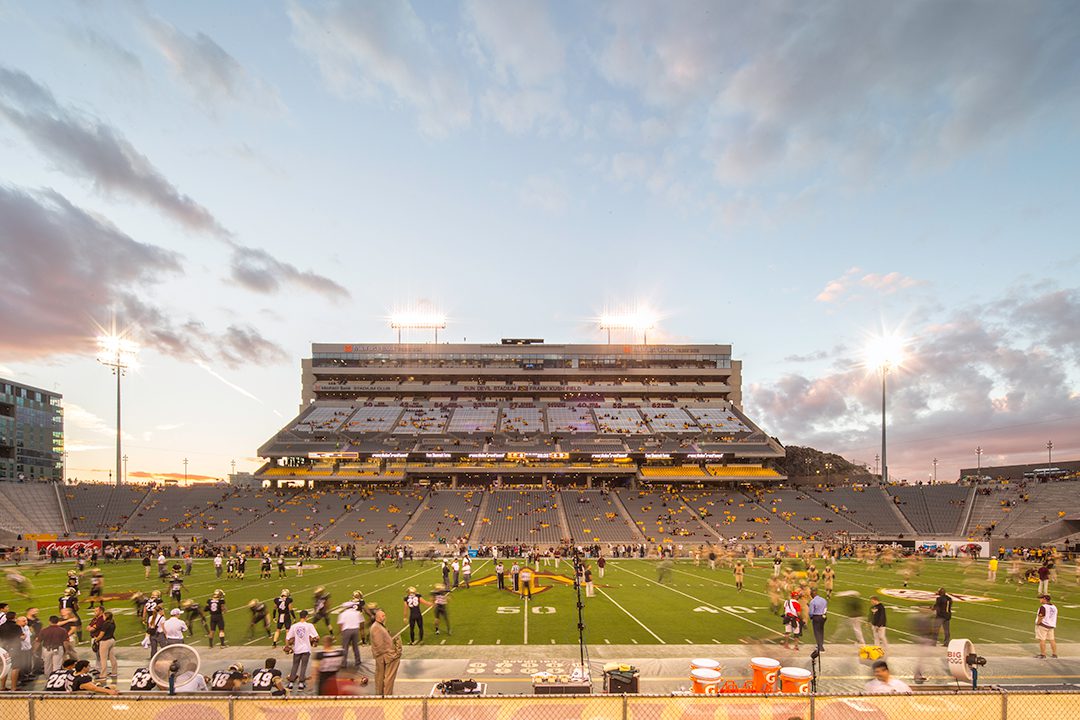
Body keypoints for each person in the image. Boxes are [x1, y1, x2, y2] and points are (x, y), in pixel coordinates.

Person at [370, 608, 401, 696]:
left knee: (381, 677)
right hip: (386, 656)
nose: (385, 617)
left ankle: (380, 695)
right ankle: (387, 696)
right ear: (378, 617)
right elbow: (379, 645)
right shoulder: (376, 627)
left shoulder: (378, 626)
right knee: (389, 678)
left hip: (383, 656)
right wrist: (393, 653)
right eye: (383, 616)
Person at [285, 610, 318, 691]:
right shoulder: (309, 625)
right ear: (306, 616)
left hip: (297, 649)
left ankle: (291, 684)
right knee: (303, 666)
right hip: (306, 649)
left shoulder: (294, 626)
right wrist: (314, 642)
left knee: (295, 666)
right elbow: (317, 637)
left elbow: (287, 638)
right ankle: (301, 684)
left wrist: (287, 646)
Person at [337, 601, 364, 668]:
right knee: (355, 647)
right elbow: (362, 622)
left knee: (345, 647)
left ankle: (343, 663)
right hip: (355, 630)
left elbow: (341, 624)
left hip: (346, 630)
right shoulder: (357, 613)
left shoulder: (342, 614)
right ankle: (358, 661)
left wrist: (341, 632)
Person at [95, 610, 118, 679]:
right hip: (112, 640)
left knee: (103, 658)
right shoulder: (112, 623)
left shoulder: (105, 624)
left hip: (105, 641)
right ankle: (114, 672)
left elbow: (101, 634)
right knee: (112, 657)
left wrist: (96, 639)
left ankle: (103, 674)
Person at [1035, 594, 1058, 659]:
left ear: (1044, 599)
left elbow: (1041, 616)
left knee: (1042, 640)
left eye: (1041, 598)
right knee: (1052, 640)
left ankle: (1043, 654)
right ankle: (1054, 654)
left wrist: (1038, 623)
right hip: (1051, 625)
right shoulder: (1054, 607)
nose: (1040, 600)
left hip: (1043, 625)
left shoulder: (1043, 607)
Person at [808, 589, 828, 653]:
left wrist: (811, 617)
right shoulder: (823, 600)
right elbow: (825, 608)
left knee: (817, 631)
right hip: (823, 616)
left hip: (816, 617)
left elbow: (811, 612)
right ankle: (821, 644)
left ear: (812, 594)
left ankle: (820, 646)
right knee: (821, 630)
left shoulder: (812, 601)